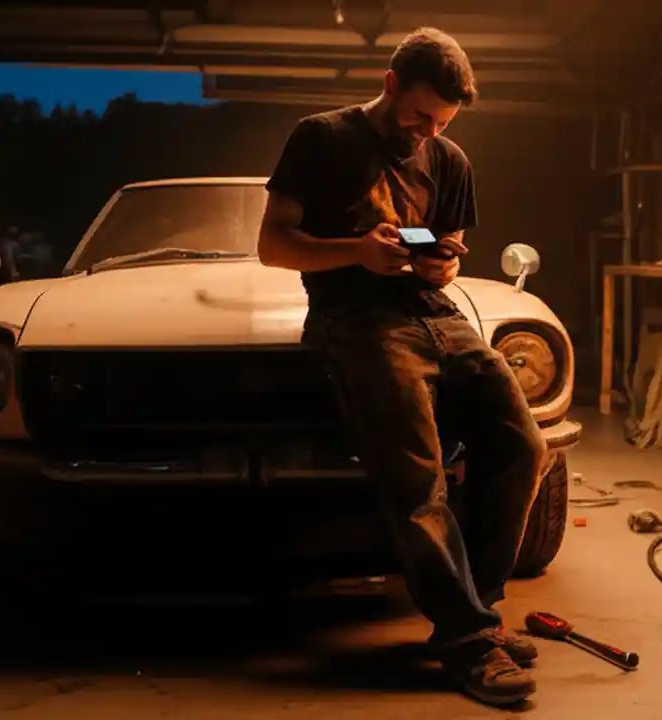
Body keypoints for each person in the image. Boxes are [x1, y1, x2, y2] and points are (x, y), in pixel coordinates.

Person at [257, 27, 547, 707]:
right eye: (419, 116)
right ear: (390, 83)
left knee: (522, 446)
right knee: (418, 480)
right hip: (354, 318)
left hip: (438, 314)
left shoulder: (448, 158)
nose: (426, 133)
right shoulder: (321, 138)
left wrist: (444, 260)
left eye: (442, 122)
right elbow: (274, 245)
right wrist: (358, 252)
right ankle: (471, 642)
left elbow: (452, 248)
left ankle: (475, 609)